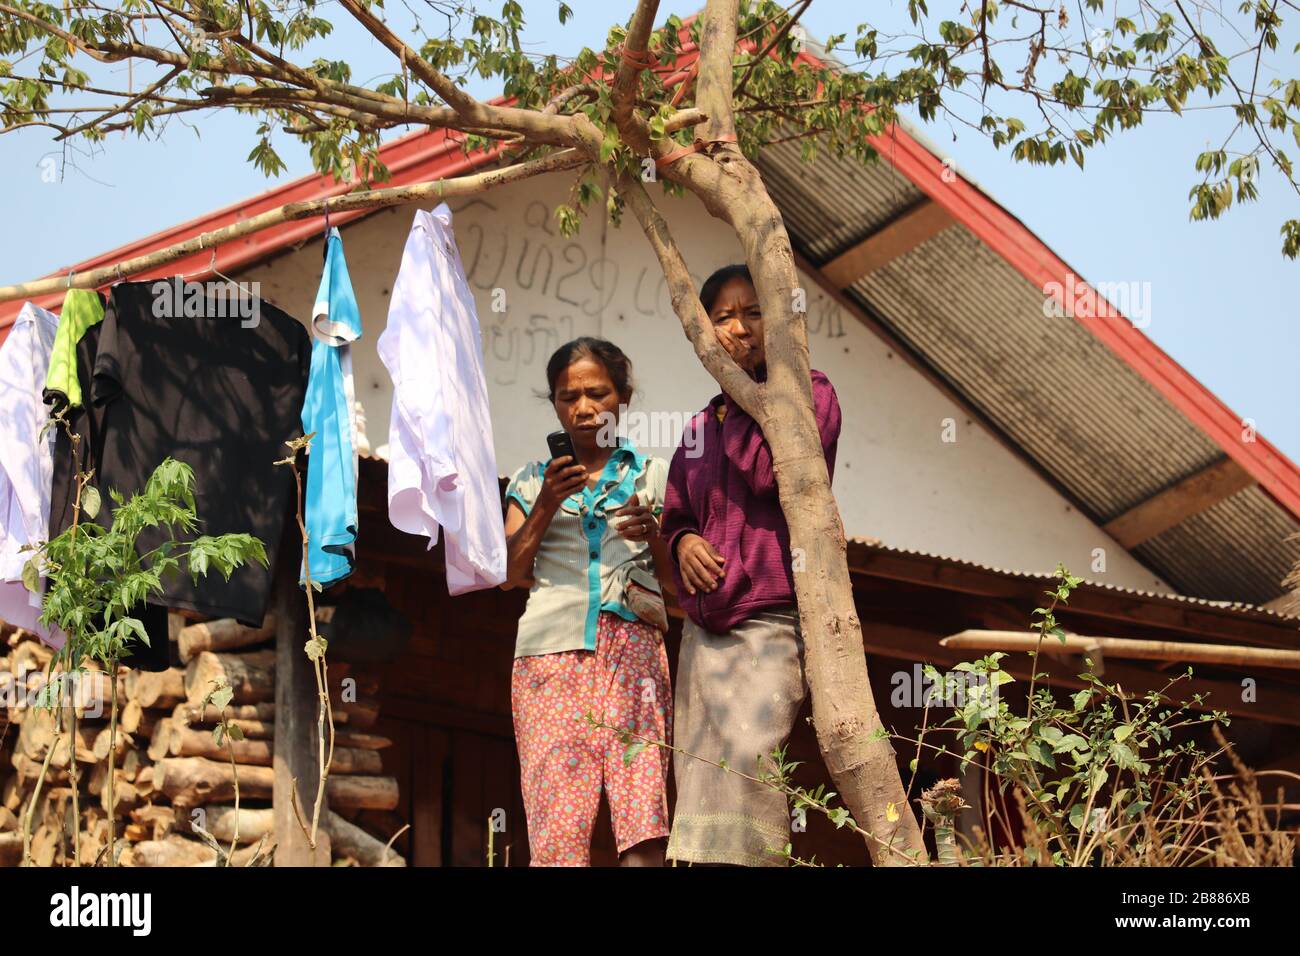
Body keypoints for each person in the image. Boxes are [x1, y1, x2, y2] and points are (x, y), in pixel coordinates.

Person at [661, 263, 842, 866]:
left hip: (770, 618)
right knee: (699, 768)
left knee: (750, 760)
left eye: (753, 312)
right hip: (705, 632)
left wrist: (744, 394)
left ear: (778, 321)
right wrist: (684, 543)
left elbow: (769, 473)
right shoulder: (695, 428)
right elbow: (677, 516)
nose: (739, 328)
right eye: (723, 317)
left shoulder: (809, 393)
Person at [501, 337, 675, 866]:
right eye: (567, 396)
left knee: (644, 818)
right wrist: (547, 504)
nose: (582, 408)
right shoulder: (532, 480)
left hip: (636, 656)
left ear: (622, 397)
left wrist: (656, 537)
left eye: (596, 393)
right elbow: (510, 575)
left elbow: (682, 591)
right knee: (557, 823)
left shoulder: (654, 476)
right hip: (550, 656)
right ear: (554, 403)